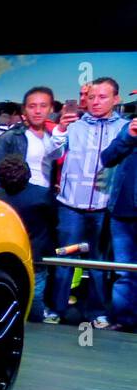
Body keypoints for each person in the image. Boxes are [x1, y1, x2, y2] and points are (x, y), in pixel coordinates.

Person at [48, 76, 128, 329]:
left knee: (99, 264)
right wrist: (60, 130)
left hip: (105, 209)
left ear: (116, 99)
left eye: (103, 97)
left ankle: (98, 312)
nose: (95, 102)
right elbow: (52, 155)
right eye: (91, 97)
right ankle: (56, 309)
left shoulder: (126, 129)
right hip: (70, 206)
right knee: (65, 261)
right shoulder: (74, 126)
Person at [0, 155, 53, 322]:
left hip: (7, 254)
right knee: (36, 291)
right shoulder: (42, 196)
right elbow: (54, 221)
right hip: (36, 252)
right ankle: (35, 323)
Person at [100, 114, 137, 332]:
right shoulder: (127, 129)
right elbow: (107, 158)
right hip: (122, 212)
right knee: (124, 272)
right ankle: (124, 320)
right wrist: (129, 136)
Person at [0, 86, 56, 189]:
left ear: (51, 109)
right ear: (24, 110)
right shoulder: (10, 138)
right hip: (18, 197)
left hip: (46, 199)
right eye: (32, 106)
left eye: (43, 106)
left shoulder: (54, 138)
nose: (38, 111)